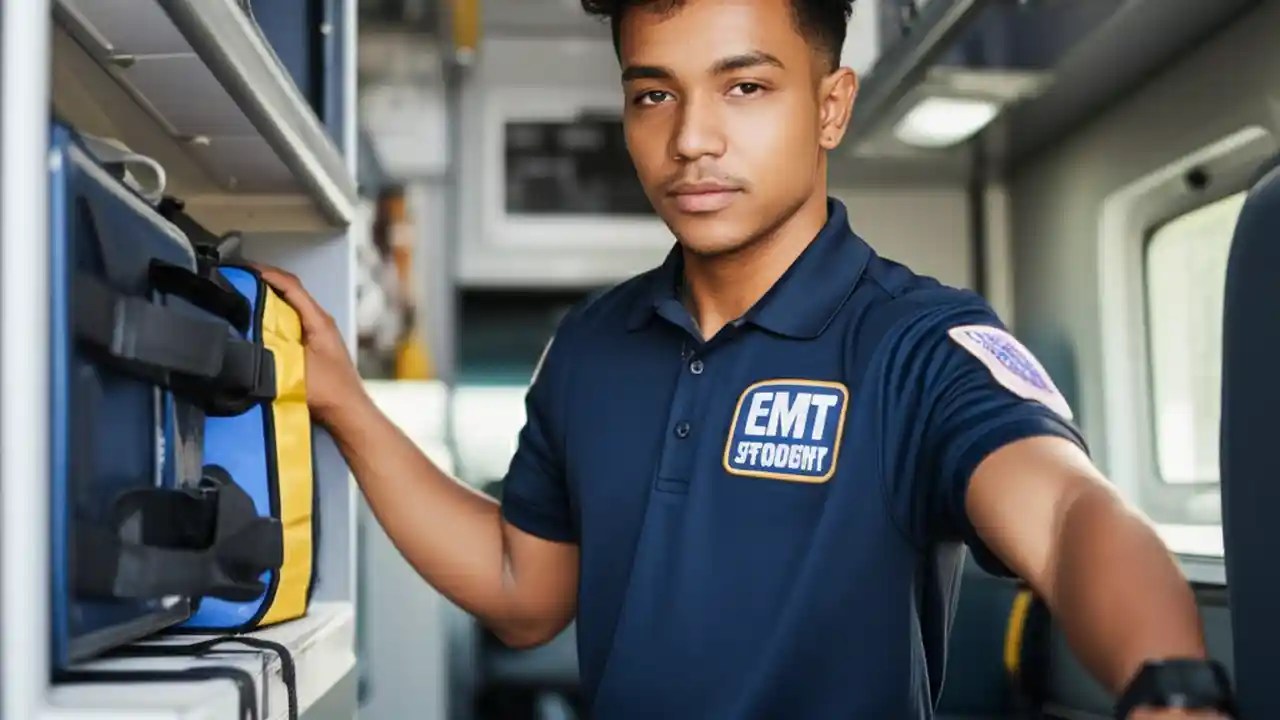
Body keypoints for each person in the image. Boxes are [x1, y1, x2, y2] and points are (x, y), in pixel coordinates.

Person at [255, 0, 1236, 717]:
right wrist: (343, 401)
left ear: (828, 105)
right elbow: (524, 594)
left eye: (744, 86)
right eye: (652, 94)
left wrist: (1168, 681)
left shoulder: (916, 343)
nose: (689, 139)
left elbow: (1066, 515)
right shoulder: (588, 350)